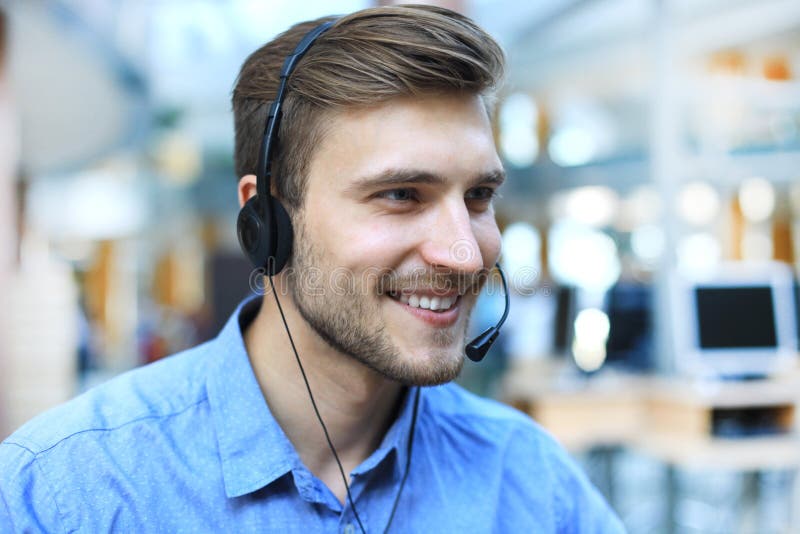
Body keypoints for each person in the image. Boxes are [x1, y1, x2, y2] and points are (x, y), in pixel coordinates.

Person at [0, 5, 624, 532]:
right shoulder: (67, 491)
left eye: (478, 197)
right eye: (401, 194)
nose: (464, 253)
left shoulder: (534, 487)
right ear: (266, 217)